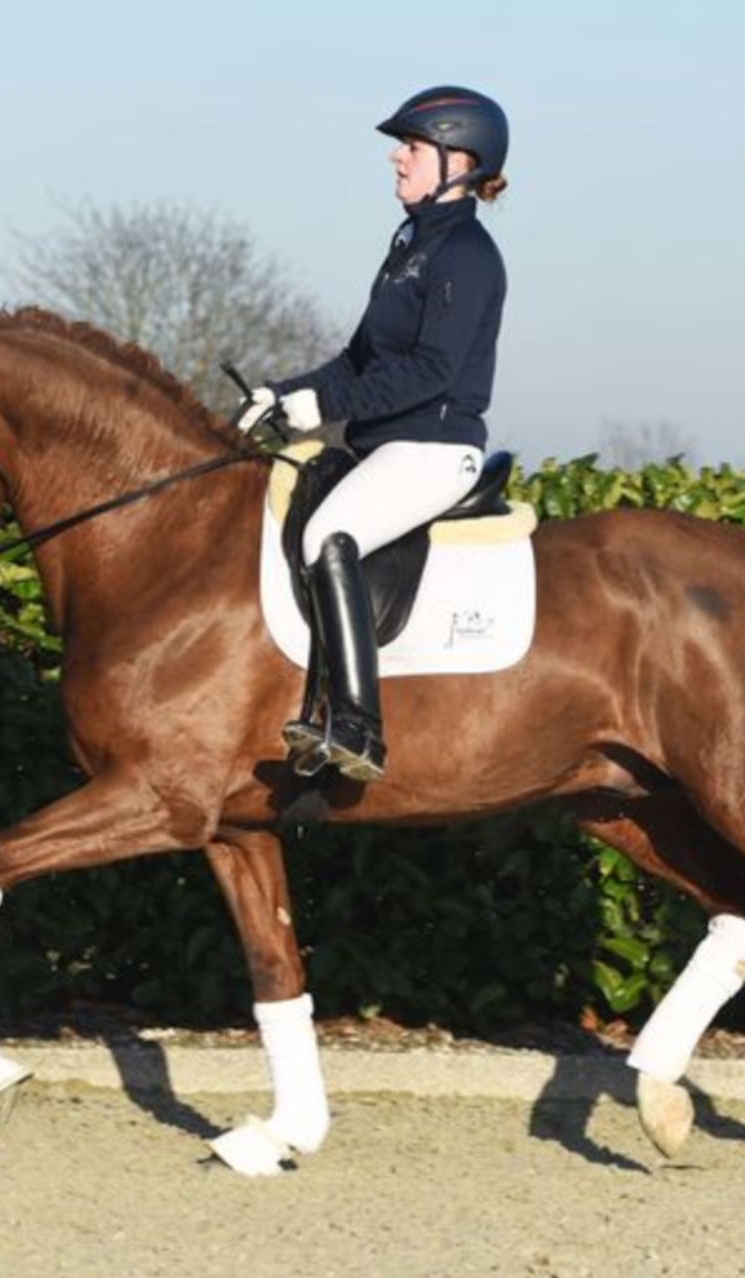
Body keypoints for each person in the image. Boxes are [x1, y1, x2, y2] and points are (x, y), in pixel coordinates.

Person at [238, 85, 510, 783]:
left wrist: (324, 410)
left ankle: (357, 726)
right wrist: (288, 391)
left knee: (329, 536)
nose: (397, 158)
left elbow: (430, 372)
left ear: (459, 159)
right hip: (382, 442)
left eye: (412, 147)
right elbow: (357, 359)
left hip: (433, 445)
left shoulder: (467, 256)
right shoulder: (412, 246)